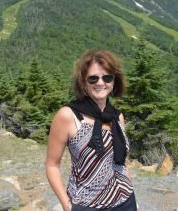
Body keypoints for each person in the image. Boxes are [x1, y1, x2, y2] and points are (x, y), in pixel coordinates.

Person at [45, 49, 137, 211]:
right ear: (83, 82)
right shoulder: (68, 116)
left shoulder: (117, 117)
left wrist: (128, 185)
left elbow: (120, 161)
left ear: (114, 81)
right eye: (93, 78)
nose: (101, 83)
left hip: (125, 201)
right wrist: (67, 205)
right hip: (87, 204)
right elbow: (52, 165)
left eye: (107, 77)